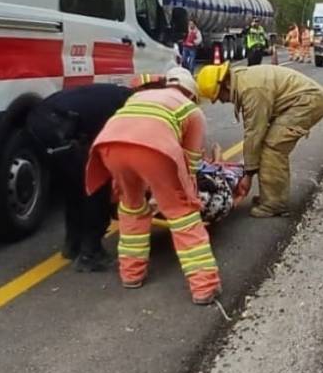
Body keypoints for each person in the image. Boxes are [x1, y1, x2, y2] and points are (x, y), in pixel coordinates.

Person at [84, 67, 220, 305]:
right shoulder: (192, 110)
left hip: (109, 146)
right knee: (182, 216)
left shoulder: (140, 96)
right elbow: (191, 163)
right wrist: (184, 194)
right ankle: (204, 287)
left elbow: (130, 129)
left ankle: (131, 274)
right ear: (192, 93)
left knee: (132, 208)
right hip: (153, 151)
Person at [196, 62, 323, 217]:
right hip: (302, 101)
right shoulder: (241, 79)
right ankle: (271, 196)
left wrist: (248, 175)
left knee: (272, 147)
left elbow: (254, 133)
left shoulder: (252, 90)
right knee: (267, 143)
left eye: (219, 96)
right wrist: (250, 169)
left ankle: (274, 204)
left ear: (225, 85)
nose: (222, 101)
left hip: (307, 103)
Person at [26, 82, 133, 272]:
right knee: (97, 185)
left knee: (73, 186)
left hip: (39, 122)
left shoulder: (113, 94)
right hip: (61, 127)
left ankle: (73, 245)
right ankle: (90, 254)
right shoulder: (127, 108)